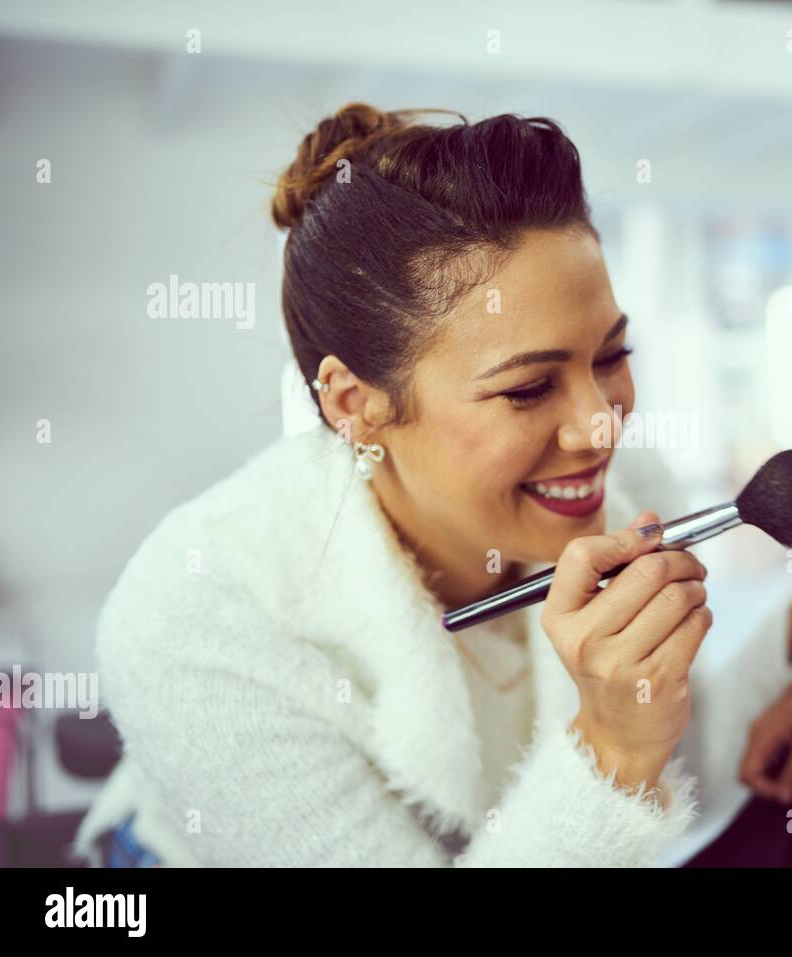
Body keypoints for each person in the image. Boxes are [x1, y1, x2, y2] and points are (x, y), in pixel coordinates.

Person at [73, 103, 733, 866]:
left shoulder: (632, 490)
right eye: (526, 389)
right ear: (355, 404)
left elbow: (690, 781)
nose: (602, 427)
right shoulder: (193, 611)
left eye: (613, 356)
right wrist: (607, 750)